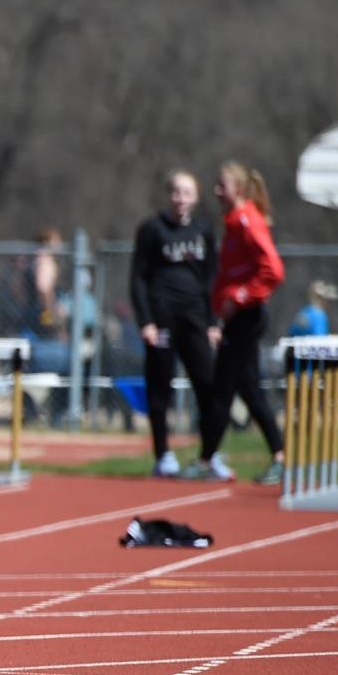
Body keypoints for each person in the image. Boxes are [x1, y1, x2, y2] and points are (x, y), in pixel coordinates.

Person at [185, 161, 286, 483]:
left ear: (239, 190)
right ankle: (277, 455)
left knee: (224, 389)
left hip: (247, 316)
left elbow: (273, 269)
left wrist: (240, 298)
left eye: (222, 186)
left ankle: (206, 460)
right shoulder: (232, 223)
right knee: (245, 388)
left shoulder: (247, 220)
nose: (216, 191)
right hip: (235, 318)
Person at [130, 170, 221, 478]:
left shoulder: (203, 230)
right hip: (162, 319)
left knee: (208, 387)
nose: (181, 199)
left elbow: (212, 278)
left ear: (195, 197)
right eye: (176, 192)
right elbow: (138, 278)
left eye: (187, 193)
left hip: (195, 318)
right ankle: (163, 454)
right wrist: (146, 322)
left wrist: (213, 322)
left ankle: (210, 453)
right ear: (168, 195)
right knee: (160, 389)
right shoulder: (152, 229)